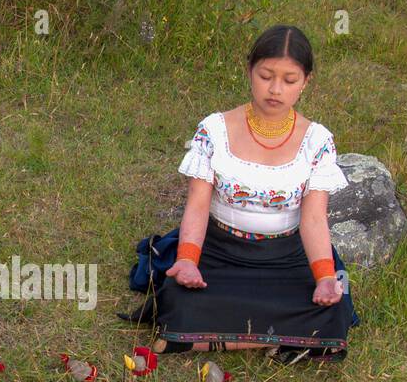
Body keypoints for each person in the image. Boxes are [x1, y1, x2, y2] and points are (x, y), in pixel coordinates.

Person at [139, 24, 358, 361]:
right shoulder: (214, 129)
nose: (275, 89)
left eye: (289, 80)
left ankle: (199, 338)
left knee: (333, 308)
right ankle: (289, 340)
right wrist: (187, 260)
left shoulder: (317, 140)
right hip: (219, 249)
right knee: (177, 297)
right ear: (249, 71)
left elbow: (314, 219)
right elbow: (197, 206)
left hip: (287, 255)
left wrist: (325, 277)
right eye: (266, 75)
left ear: (306, 82)